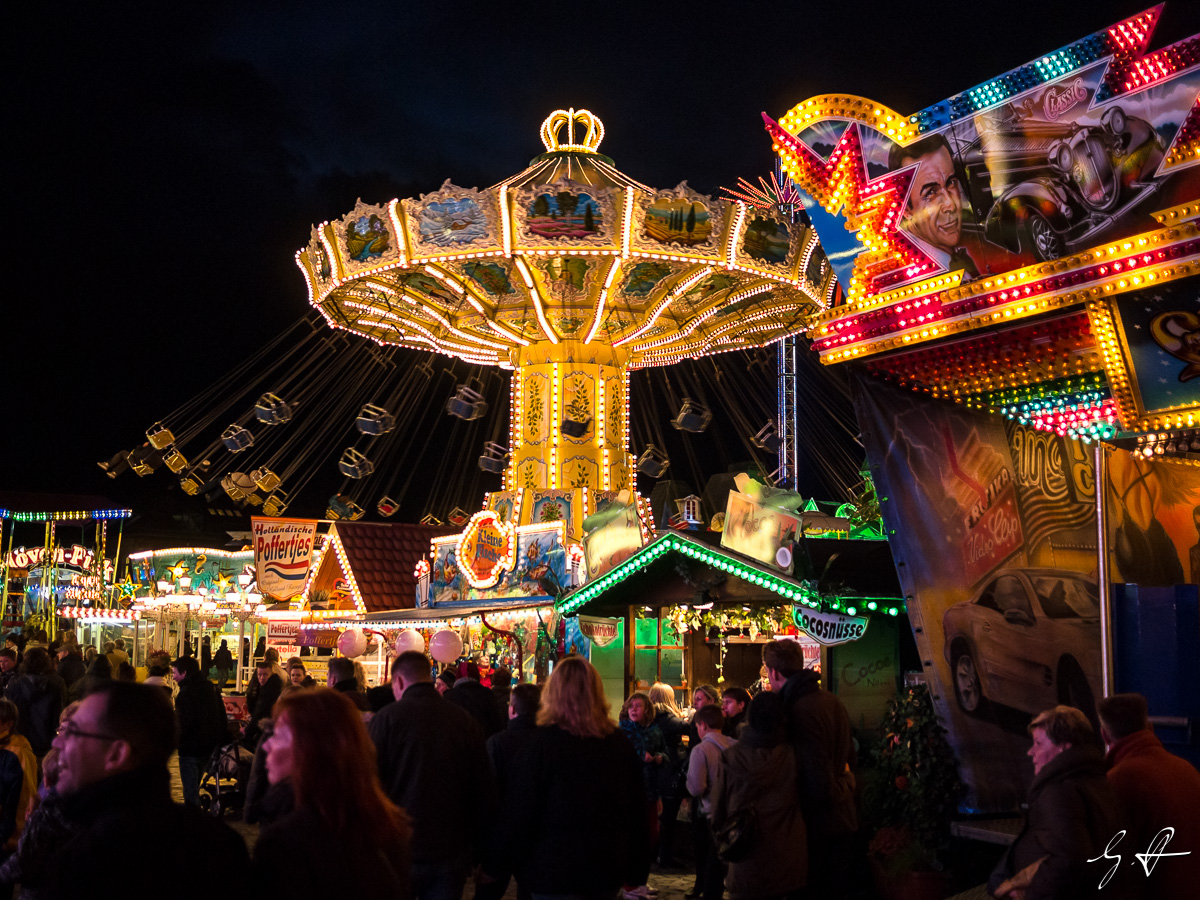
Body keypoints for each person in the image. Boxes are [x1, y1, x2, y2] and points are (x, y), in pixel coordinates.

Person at [30, 682, 250, 897]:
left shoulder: (84, 861)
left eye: (74, 732)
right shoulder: (220, 845)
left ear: (117, 754)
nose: (58, 743)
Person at [504, 656, 650, 898]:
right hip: (603, 869)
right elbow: (636, 810)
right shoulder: (616, 743)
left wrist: (498, 865)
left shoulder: (540, 745)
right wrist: (636, 872)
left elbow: (519, 811)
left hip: (550, 870)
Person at [253, 689, 412, 895]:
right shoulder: (389, 829)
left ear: (309, 748)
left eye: (277, 734)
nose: (267, 745)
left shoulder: (285, 845)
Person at [369, 650, 493, 900]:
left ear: (400, 682)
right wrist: (485, 855)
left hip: (398, 848)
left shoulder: (386, 720)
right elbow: (482, 790)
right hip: (450, 848)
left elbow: (370, 784)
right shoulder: (463, 721)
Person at [988, 705, 1121, 900]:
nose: (1031, 752)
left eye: (1039, 744)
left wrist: (1027, 895)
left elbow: (1069, 861)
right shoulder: (1095, 779)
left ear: (1064, 747)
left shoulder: (1059, 791)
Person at [762, 639, 857, 899]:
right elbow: (849, 756)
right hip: (841, 820)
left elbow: (817, 782)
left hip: (814, 828)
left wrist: (842, 784)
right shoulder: (830, 701)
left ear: (773, 672)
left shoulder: (797, 710)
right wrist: (846, 780)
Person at [1098, 693, 1200, 900]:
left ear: (1105, 736)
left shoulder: (1116, 782)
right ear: (1149, 727)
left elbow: (1110, 866)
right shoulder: (1187, 769)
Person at [711, 691, 808, 900]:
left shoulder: (731, 757)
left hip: (745, 855)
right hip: (789, 858)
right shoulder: (794, 756)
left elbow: (718, 811)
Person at [476, 682, 541, 900]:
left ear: (512, 709)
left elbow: (486, 797)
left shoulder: (497, 744)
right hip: (537, 841)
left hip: (499, 837)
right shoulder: (547, 744)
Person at [888, 132, 978, 280]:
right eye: (930, 193)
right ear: (906, 208)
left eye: (950, 182)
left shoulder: (952, 255)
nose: (950, 204)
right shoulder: (913, 277)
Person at [620, 691, 667, 897]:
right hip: (629, 791)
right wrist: (641, 756)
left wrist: (658, 758)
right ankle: (628, 883)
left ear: (647, 709)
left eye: (638, 706)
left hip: (650, 789)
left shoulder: (655, 731)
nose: (633, 709)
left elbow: (666, 753)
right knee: (632, 836)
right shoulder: (622, 732)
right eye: (631, 705)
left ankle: (640, 881)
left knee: (650, 835)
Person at [686, 704, 735, 900]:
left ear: (703, 725)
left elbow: (697, 787)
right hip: (734, 809)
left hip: (712, 811)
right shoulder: (735, 744)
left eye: (697, 726)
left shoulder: (701, 749)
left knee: (712, 863)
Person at [172, 656, 228, 807]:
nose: (173, 676)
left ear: (184, 673)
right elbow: (220, 714)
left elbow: (184, 722)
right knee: (195, 785)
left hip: (189, 748)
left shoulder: (185, 693)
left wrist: (177, 740)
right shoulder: (210, 688)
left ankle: (193, 824)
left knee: (190, 792)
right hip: (207, 746)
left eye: (174, 672)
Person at [648, 682, 687, 868]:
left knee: (654, 815)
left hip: (652, 772)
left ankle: (653, 853)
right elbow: (692, 728)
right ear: (668, 698)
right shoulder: (670, 720)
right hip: (670, 771)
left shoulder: (647, 718)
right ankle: (665, 856)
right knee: (668, 816)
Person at [4, 648, 67, 760]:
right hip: (48, 740)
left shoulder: (15, 685)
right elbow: (59, 713)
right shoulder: (57, 684)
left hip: (22, 740)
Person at [0, 699, 38, 852]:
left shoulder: (19, 754)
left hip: (7, 839)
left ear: (8, 724)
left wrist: (7, 839)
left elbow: (22, 802)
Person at [445, 661, 506, 739]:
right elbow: (497, 724)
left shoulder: (449, 696)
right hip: (483, 743)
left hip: (458, 745)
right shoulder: (487, 694)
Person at [243, 660, 283, 751]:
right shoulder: (261, 687)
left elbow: (260, 712)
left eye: (265, 674)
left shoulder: (270, 689)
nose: (262, 677)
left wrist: (247, 730)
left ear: (271, 674)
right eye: (259, 674)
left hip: (267, 729)